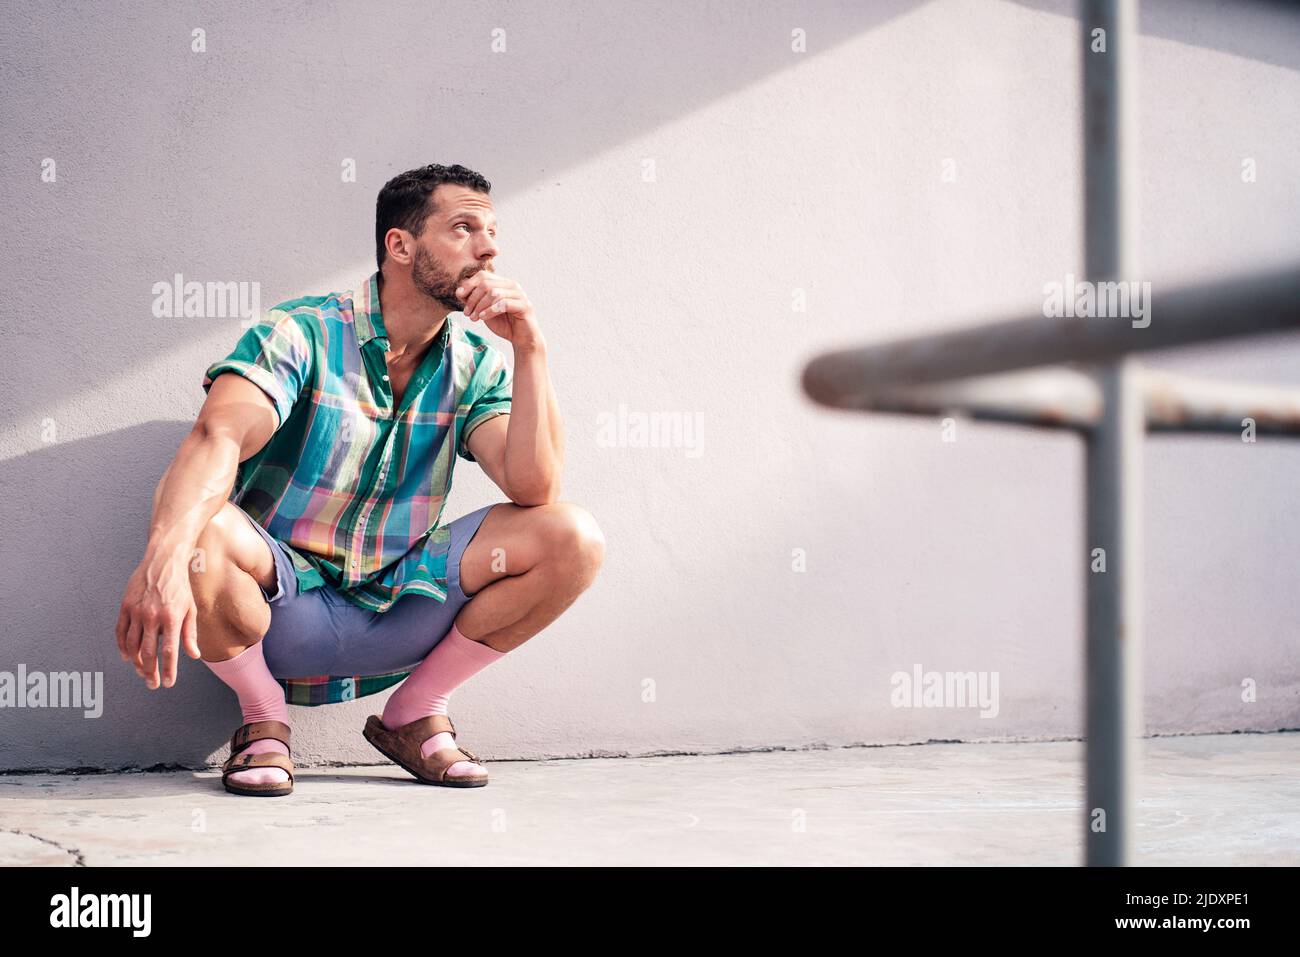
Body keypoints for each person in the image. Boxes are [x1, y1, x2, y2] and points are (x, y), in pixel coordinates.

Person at [114, 163, 605, 795]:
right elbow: (219, 437)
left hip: (405, 605)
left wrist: (530, 349)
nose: (489, 249)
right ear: (400, 246)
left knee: (572, 535)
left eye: (491, 232)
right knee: (198, 529)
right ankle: (263, 725)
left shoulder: (475, 363)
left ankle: (415, 713)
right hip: (280, 613)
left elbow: (533, 490)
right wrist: (162, 561)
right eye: (464, 228)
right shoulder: (302, 333)